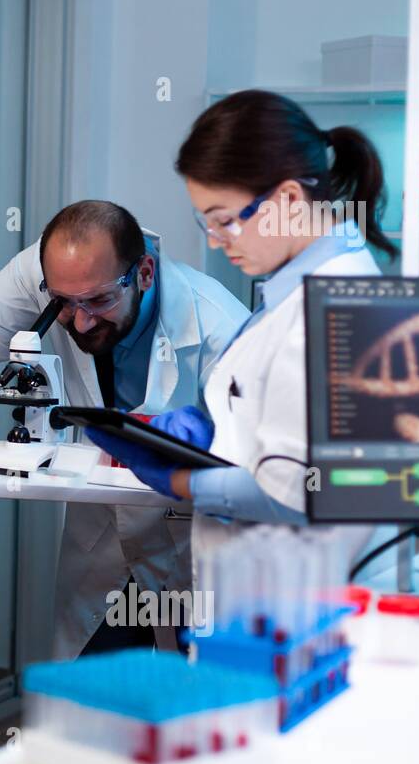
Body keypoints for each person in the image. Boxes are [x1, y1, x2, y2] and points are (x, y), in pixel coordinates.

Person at [0, 200, 249, 656]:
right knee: (88, 701)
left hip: (196, 543)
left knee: (192, 703)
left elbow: (260, 462)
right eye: (64, 304)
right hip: (104, 541)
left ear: (145, 274)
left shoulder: (218, 326)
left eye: (99, 301)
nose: (81, 320)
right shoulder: (47, 270)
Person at [86, 90, 393, 573]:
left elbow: (300, 493)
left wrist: (183, 478)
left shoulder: (334, 306)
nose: (214, 240)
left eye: (225, 221)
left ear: (289, 198)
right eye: (205, 221)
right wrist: (207, 434)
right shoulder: (293, 288)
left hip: (302, 603)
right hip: (261, 595)